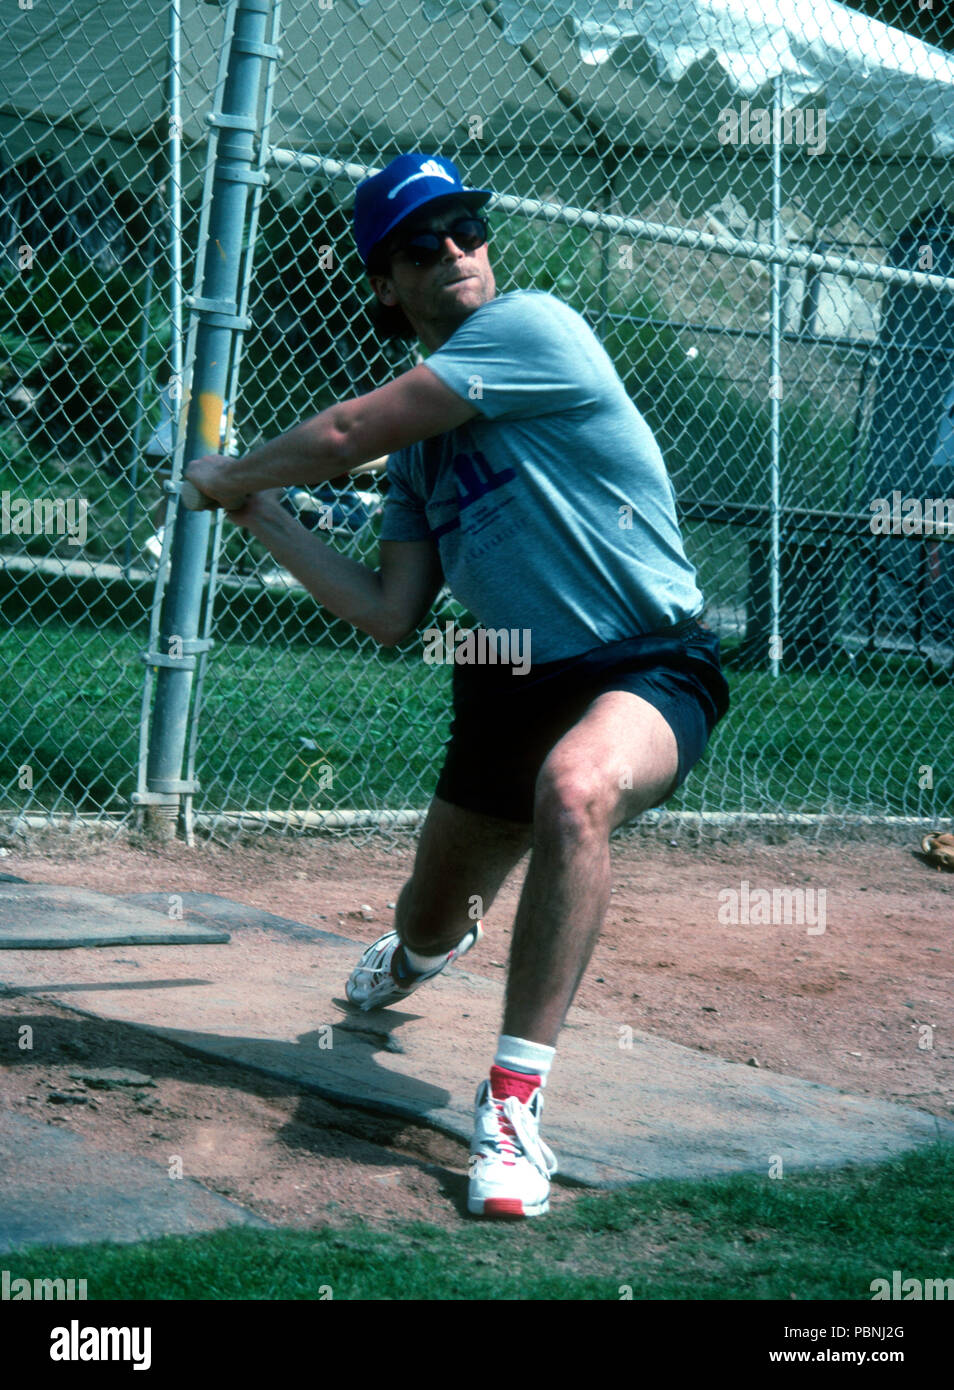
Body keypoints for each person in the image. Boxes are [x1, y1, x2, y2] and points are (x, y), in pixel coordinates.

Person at [186, 152, 730, 1220]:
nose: (454, 251)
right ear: (385, 285)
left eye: (466, 227)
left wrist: (226, 471)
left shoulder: (535, 328)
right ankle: (424, 948)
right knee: (429, 923)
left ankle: (515, 1102)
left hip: (644, 660)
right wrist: (252, 510)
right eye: (419, 245)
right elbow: (391, 613)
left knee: (576, 789)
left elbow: (344, 430)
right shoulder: (424, 460)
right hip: (504, 679)